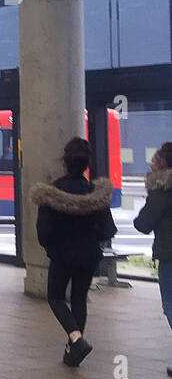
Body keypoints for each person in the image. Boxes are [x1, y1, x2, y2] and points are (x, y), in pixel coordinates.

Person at [30, 137, 117, 367]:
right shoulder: (95, 194)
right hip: (89, 256)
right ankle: (73, 351)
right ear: (86, 165)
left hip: (63, 254)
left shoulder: (52, 192)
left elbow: (44, 230)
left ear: (64, 162)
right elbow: (108, 229)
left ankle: (76, 340)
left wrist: (52, 247)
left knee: (56, 297)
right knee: (79, 298)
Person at [133, 141, 172, 377]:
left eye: (155, 161)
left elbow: (143, 224)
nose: (151, 164)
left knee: (170, 305)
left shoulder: (163, 190)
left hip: (170, 256)